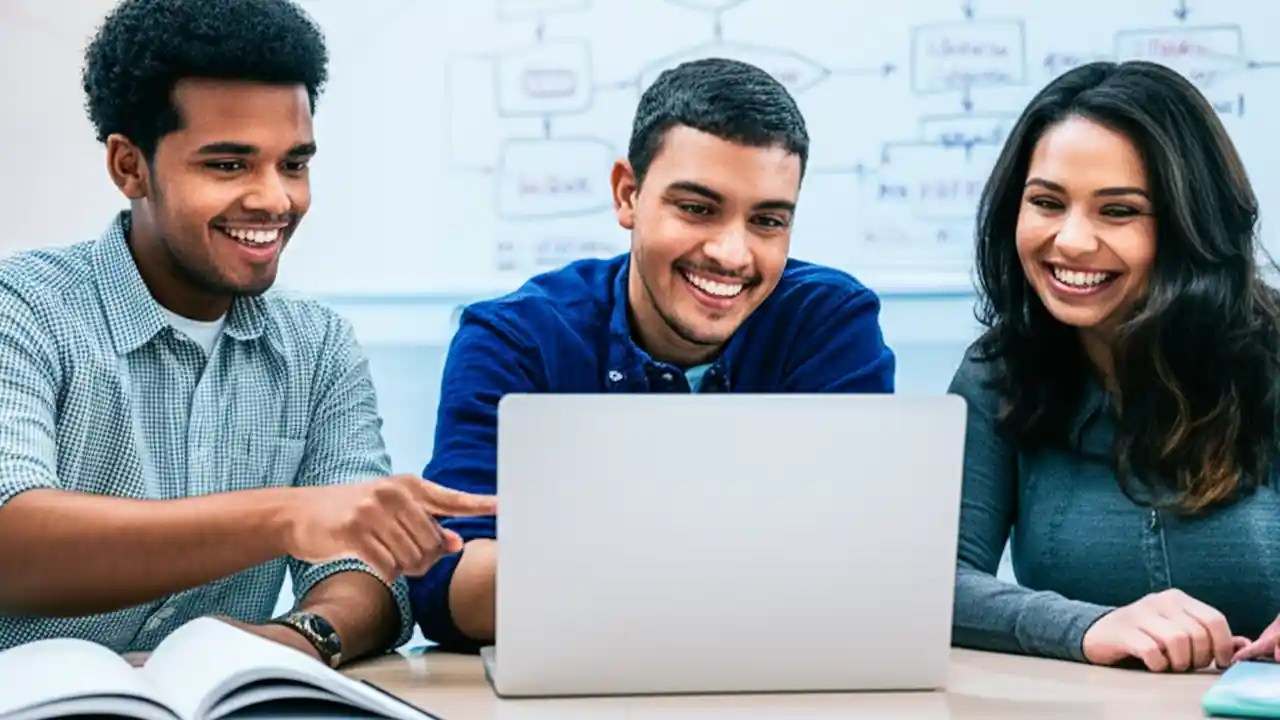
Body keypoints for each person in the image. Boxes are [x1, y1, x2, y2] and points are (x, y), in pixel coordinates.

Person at [0, 0, 494, 666]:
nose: (274, 199)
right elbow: (12, 543)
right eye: (228, 165)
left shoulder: (318, 347)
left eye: (293, 164)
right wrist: (288, 516)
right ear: (129, 167)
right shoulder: (24, 309)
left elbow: (366, 577)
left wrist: (299, 637)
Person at [410, 57, 897, 651]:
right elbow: (449, 586)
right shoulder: (516, 338)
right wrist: (742, 562)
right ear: (628, 194)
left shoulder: (830, 323)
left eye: (767, 220)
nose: (731, 253)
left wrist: (583, 567)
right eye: (697, 208)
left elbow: (862, 571)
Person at [950, 59, 1280, 673]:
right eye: (1047, 202)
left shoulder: (1273, 353)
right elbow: (936, 585)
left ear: (1190, 224)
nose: (1070, 241)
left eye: (1118, 211)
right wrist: (1088, 626)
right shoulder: (998, 371)